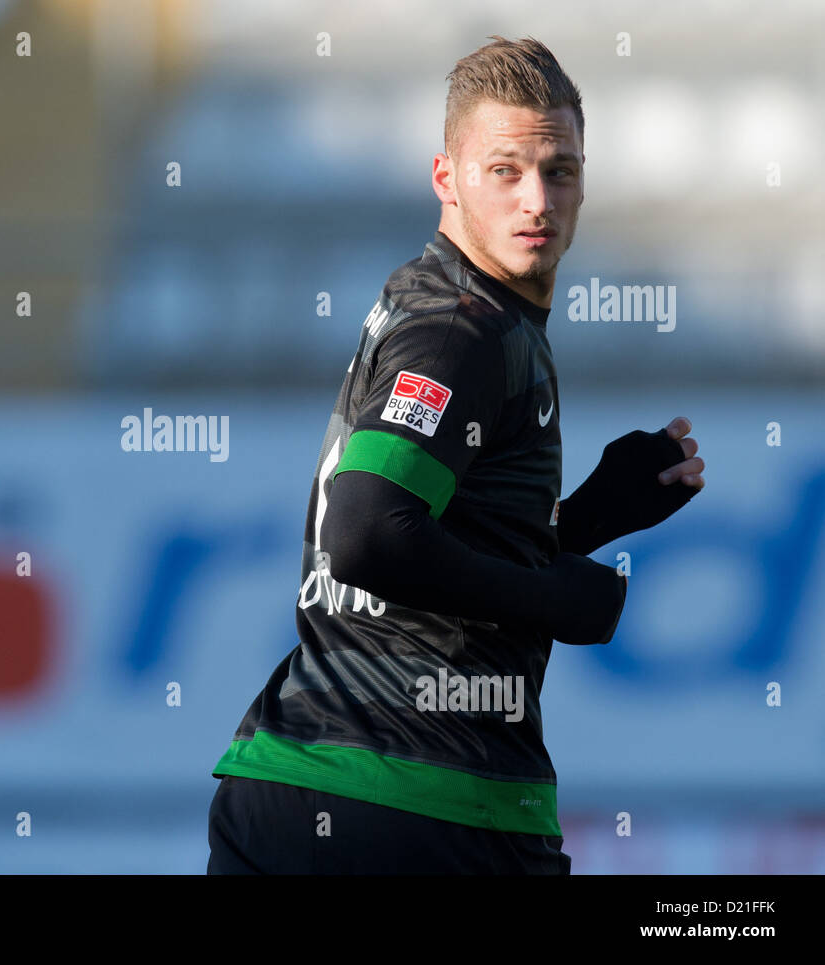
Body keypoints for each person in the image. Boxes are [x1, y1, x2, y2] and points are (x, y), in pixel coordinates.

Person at [207, 35, 706, 874]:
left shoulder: (436, 297)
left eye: (560, 172)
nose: (536, 199)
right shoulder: (459, 330)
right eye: (505, 170)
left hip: (298, 789)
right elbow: (367, 533)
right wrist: (553, 596)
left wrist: (581, 518)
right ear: (447, 178)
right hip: (418, 799)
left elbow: (424, 547)